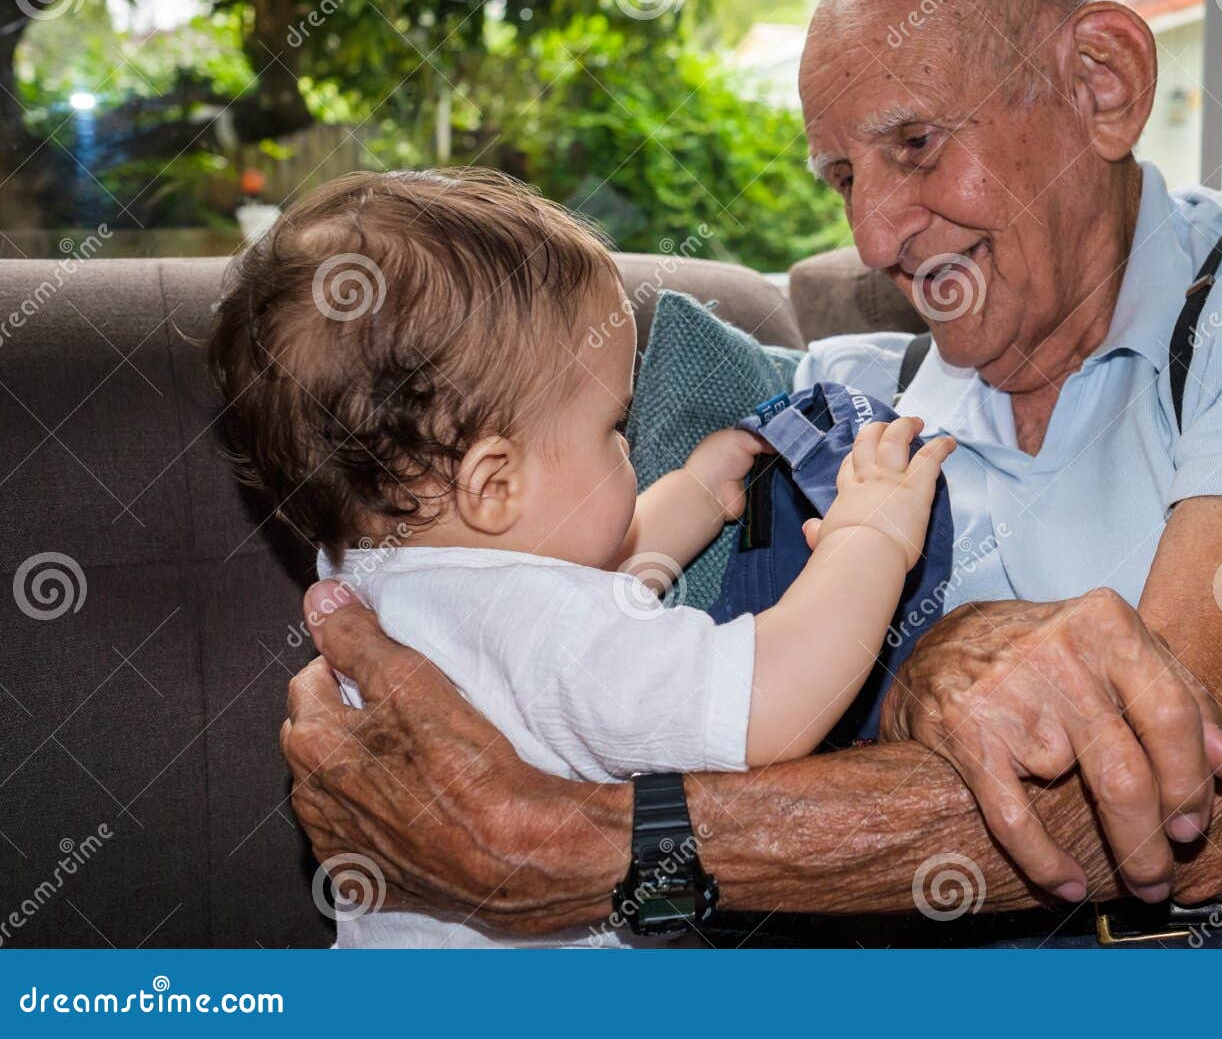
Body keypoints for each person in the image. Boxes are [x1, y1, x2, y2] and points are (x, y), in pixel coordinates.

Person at [281, 0, 1222, 945]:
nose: (874, 230)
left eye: (913, 147)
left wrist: (572, 843)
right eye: (844, 175)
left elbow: (1175, 810)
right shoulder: (841, 409)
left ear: (1102, 82)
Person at [208, 169, 957, 946]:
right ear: (493, 483)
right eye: (614, 425)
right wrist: (871, 532)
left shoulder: (374, 579)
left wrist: (699, 491)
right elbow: (774, 700)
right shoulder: (555, 630)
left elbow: (575, 564)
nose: (629, 446)